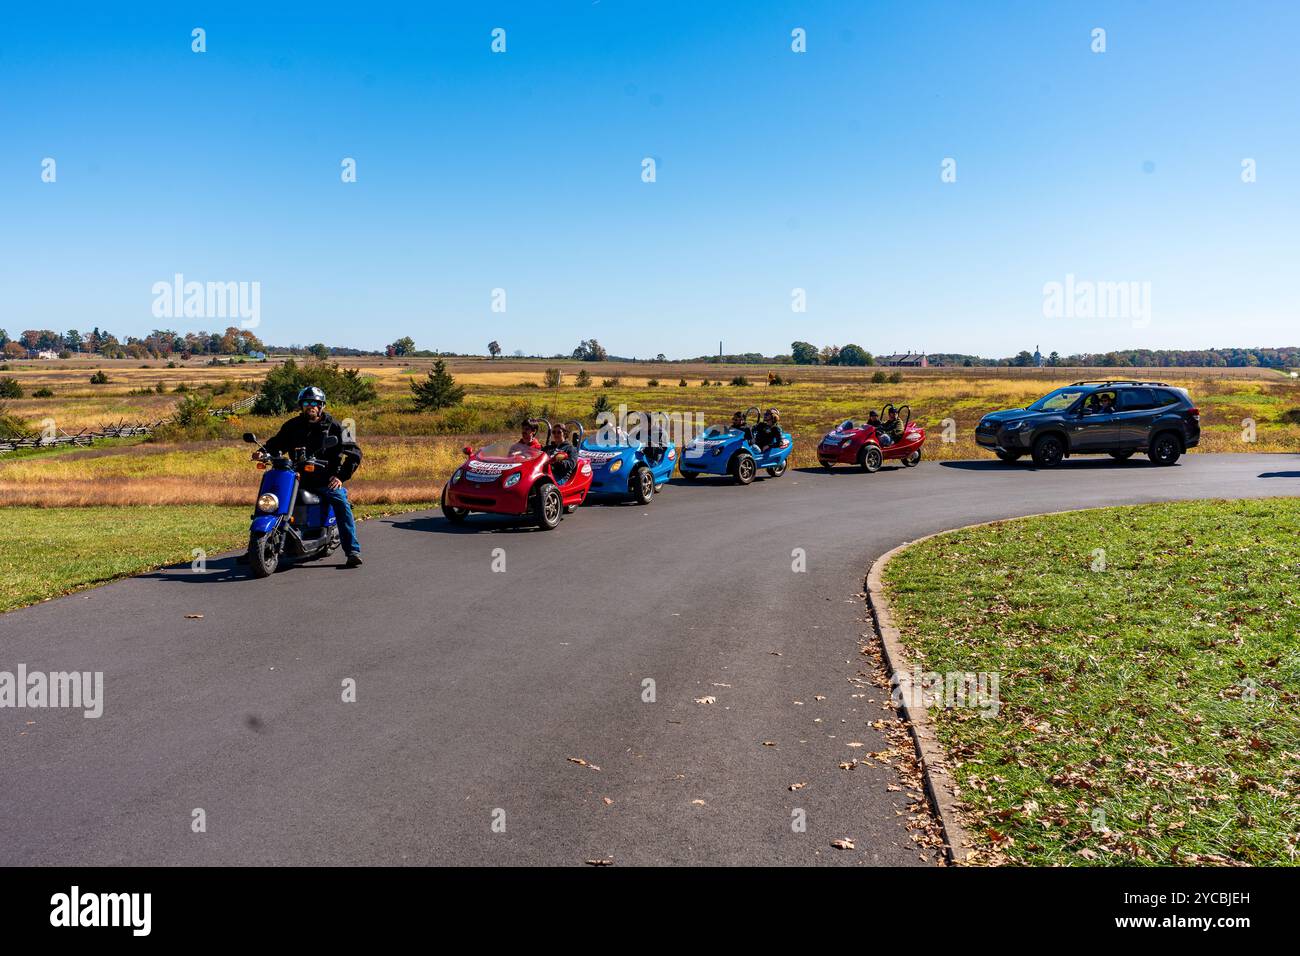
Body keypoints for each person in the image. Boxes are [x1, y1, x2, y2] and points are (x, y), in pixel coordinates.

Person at [259, 386, 363, 567]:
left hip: (326, 479)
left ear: (321, 405)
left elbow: (355, 454)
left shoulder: (338, 426)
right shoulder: (292, 425)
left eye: (315, 403)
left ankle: (352, 550)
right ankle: (257, 546)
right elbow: (276, 443)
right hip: (296, 478)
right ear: (301, 406)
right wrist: (263, 452)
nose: (310, 406)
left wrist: (340, 477)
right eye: (307, 403)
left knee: (341, 502)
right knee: (269, 500)